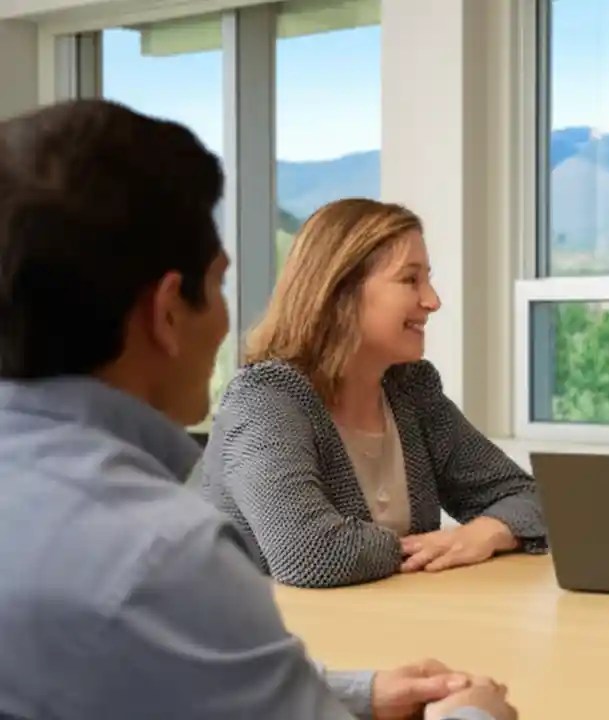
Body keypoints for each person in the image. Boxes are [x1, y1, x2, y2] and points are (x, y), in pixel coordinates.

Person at [0, 99, 515, 720]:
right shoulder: (160, 556)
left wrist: (358, 693)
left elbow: (173, 674)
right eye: (219, 284)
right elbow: (305, 555)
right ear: (167, 312)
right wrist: (474, 715)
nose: (229, 322)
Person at [199, 198, 547, 589]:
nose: (432, 301)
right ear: (339, 291)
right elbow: (309, 555)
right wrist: (429, 547)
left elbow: (528, 497)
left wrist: (482, 533)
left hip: (382, 629)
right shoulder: (265, 400)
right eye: (409, 280)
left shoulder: (411, 390)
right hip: (262, 640)